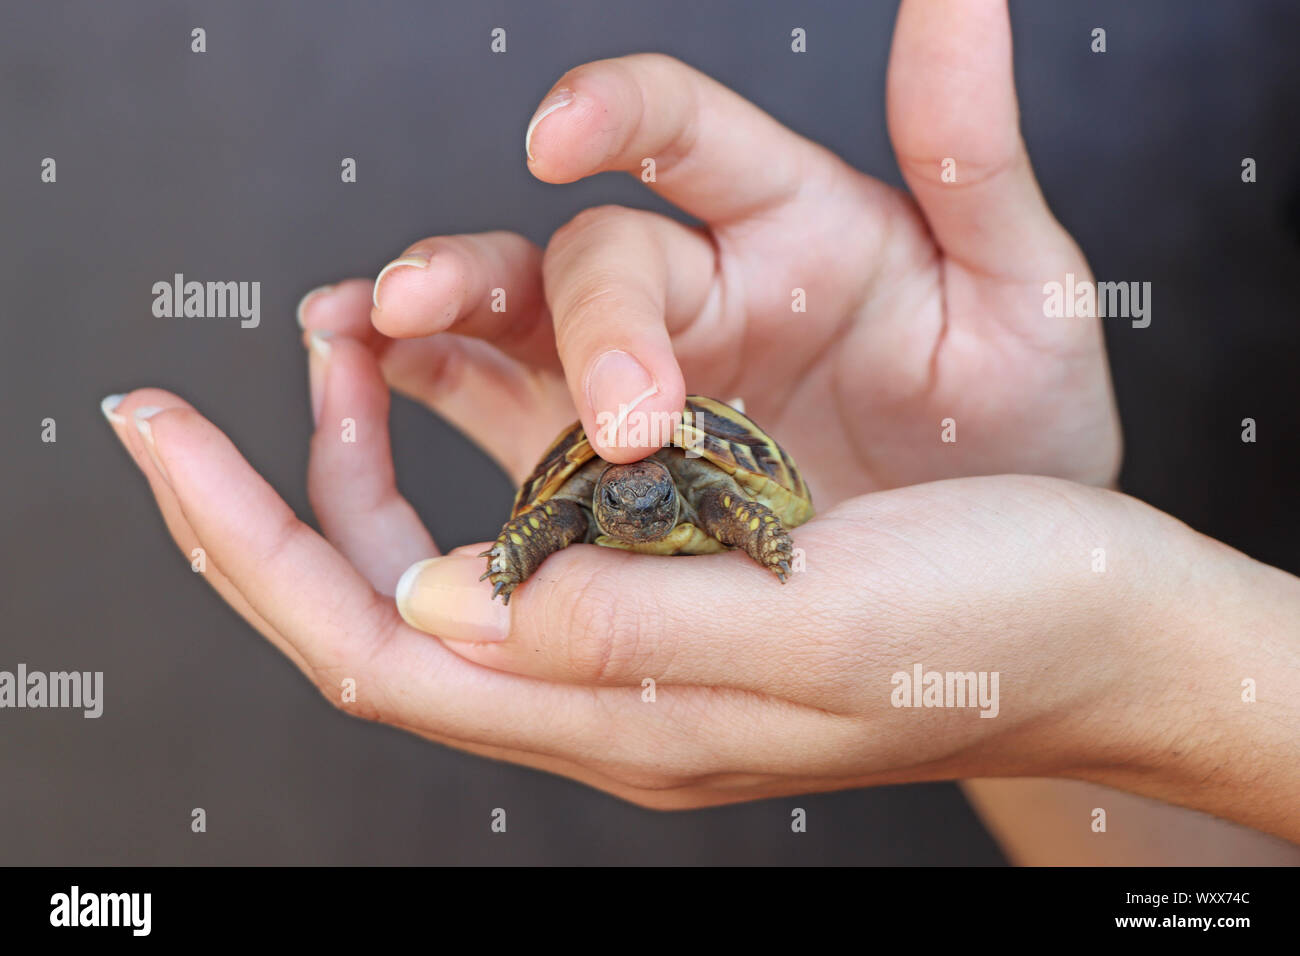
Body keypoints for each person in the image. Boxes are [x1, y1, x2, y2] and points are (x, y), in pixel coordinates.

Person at [100, 0, 1299, 861]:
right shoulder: (603, 495)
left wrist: (1134, 655)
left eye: (638, 500)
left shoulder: (710, 499)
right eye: (623, 500)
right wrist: (1066, 672)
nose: (626, 503)